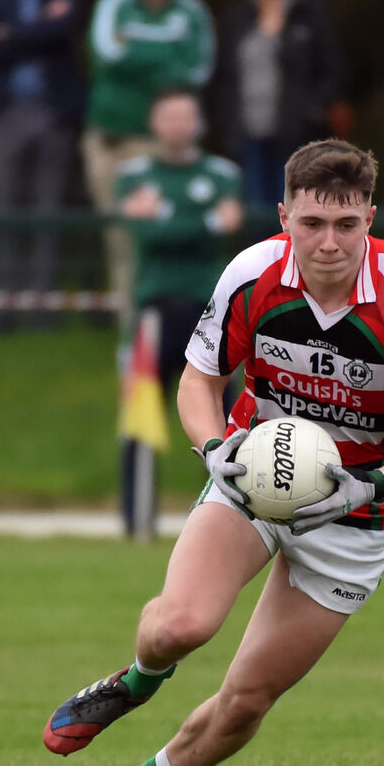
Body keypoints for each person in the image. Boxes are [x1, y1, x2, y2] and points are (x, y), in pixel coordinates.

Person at [42, 139, 384, 766]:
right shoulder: (251, 273)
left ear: (371, 216)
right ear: (284, 217)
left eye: (347, 225)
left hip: (354, 514)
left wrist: (373, 483)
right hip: (253, 476)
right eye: (312, 224)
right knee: (180, 626)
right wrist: (215, 447)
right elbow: (199, 379)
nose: (330, 243)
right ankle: (135, 681)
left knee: (247, 700)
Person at [115, 87, 243, 539]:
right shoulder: (134, 174)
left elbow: (226, 226)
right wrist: (202, 220)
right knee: (142, 413)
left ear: (198, 122)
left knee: (234, 416)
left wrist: (169, 219)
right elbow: (148, 235)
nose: (177, 125)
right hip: (154, 310)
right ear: (154, 123)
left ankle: (241, 510)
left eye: (184, 116)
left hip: (209, 311)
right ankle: (136, 519)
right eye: (167, 117)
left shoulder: (221, 173)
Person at [82, 0, 216, 328]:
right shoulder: (115, 1)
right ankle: (132, 331)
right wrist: (165, 55)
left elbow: (196, 71)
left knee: (165, 235)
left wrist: (135, 51)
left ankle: (177, 327)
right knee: (119, 239)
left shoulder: (191, 11)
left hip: (160, 145)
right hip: (110, 140)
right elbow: (107, 57)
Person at [0, 0, 82, 335]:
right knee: (6, 210)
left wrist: (11, 34)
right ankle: (5, 304)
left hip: (52, 113)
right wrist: (39, 28)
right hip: (4, 114)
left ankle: (42, 304)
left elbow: (63, 33)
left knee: (47, 211)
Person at [212, 0, 347, 219]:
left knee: (297, 206)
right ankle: (265, 257)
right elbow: (223, 75)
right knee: (255, 209)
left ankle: (295, 257)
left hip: (297, 134)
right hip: (247, 133)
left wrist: (312, 110)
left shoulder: (309, 13)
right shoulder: (237, 16)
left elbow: (332, 69)